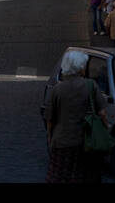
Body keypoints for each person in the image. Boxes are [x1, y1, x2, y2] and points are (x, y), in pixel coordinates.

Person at [44, 48, 110, 183]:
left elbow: (50, 118)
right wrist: (106, 129)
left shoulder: (58, 89)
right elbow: (102, 113)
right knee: (86, 176)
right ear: (80, 67)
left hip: (62, 140)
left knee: (61, 177)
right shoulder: (91, 85)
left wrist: (50, 137)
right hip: (86, 141)